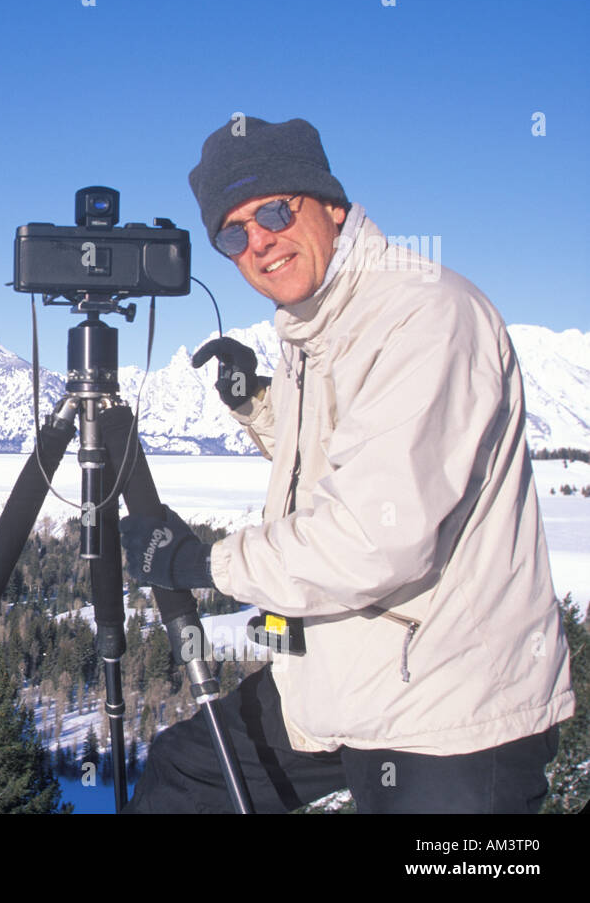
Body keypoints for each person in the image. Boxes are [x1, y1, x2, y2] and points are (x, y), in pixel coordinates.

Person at [118, 116, 575, 813]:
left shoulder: (421, 316)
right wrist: (260, 406)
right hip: (337, 668)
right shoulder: (319, 324)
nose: (258, 240)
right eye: (233, 233)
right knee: (189, 774)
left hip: (447, 704)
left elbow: (372, 535)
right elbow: (354, 458)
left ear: (332, 205)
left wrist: (203, 564)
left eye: (273, 210)